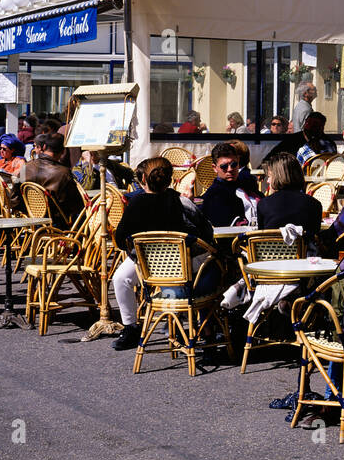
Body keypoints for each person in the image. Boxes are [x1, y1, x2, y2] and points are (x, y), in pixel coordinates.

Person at [110, 157, 220, 352]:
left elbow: (120, 240)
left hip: (148, 265)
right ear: (170, 179)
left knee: (120, 279)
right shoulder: (181, 201)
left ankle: (130, 328)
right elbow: (207, 232)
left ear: (143, 178)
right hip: (186, 265)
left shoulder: (134, 204)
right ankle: (203, 324)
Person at [16, 133, 83, 229]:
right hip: (55, 223)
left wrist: (25, 211)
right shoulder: (63, 173)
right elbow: (76, 204)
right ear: (63, 151)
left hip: (30, 220)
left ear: (43, 147)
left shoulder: (26, 167)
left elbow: (14, 196)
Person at [256, 152, 322, 243]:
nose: (267, 181)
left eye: (270, 176)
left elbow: (260, 238)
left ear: (277, 177)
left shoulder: (263, 204)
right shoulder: (314, 204)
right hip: (303, 256)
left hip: (270, 255)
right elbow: (315, 239)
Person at [200, 142, 260, 227]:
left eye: (234, 164)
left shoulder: (247, 184)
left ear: (238, 163)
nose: (230, 169)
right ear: (214, 168)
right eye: (224, 166)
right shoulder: (214, 195)